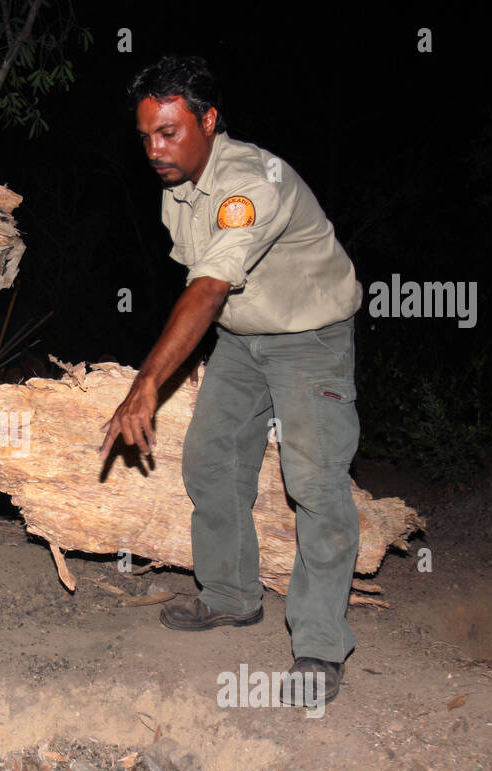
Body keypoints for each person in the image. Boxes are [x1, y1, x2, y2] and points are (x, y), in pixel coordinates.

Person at [99, 56, 363, 706]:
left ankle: (320, 646)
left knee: (315, 482)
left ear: (210, 120)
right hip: (242, 340)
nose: (155, 149)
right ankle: (231, 596)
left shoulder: (251, 184)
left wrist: (147, 384)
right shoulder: (176, 192)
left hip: (310, 338)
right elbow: (209, 291)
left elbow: (210, 286)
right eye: (145, 135)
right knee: (210, 456)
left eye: (169, 131)